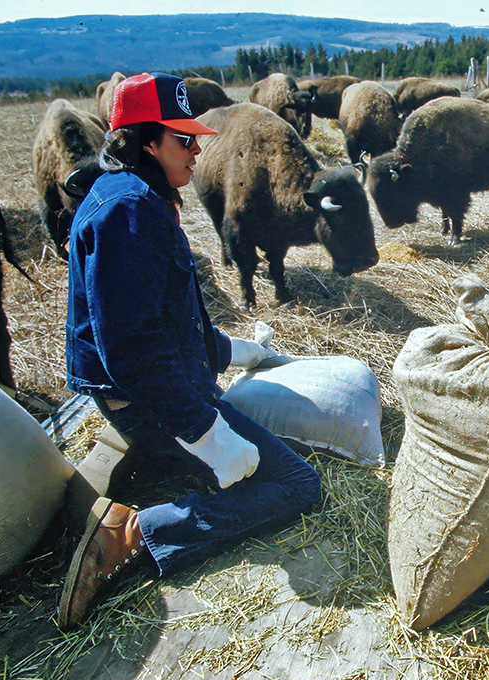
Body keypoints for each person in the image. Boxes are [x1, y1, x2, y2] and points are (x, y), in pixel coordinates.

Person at [60, 72, 321, 630]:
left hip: (154, 387)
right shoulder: (129, 212)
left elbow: (169, 322)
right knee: (297, 484)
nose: (197, 150)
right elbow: (133, 349)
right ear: (146, 142)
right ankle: (134, 532)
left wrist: (235, 351)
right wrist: (206, 432)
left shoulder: (139, 197)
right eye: (183, 139)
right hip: (143, 398)